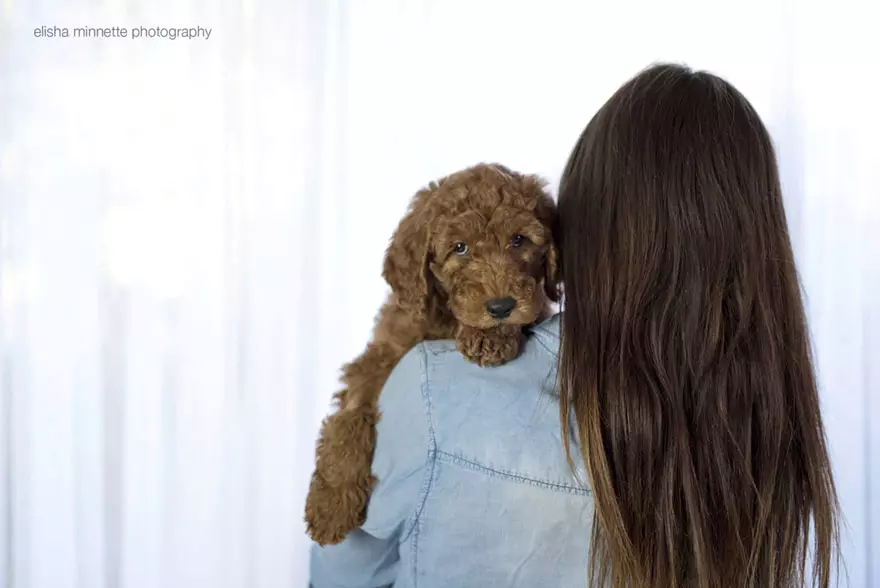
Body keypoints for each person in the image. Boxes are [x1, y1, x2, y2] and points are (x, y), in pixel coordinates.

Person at [309, 63, 840, 588]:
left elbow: (340, 572)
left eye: (522, 241)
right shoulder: (766, 430)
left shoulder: (431, 391)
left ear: (577, 230)